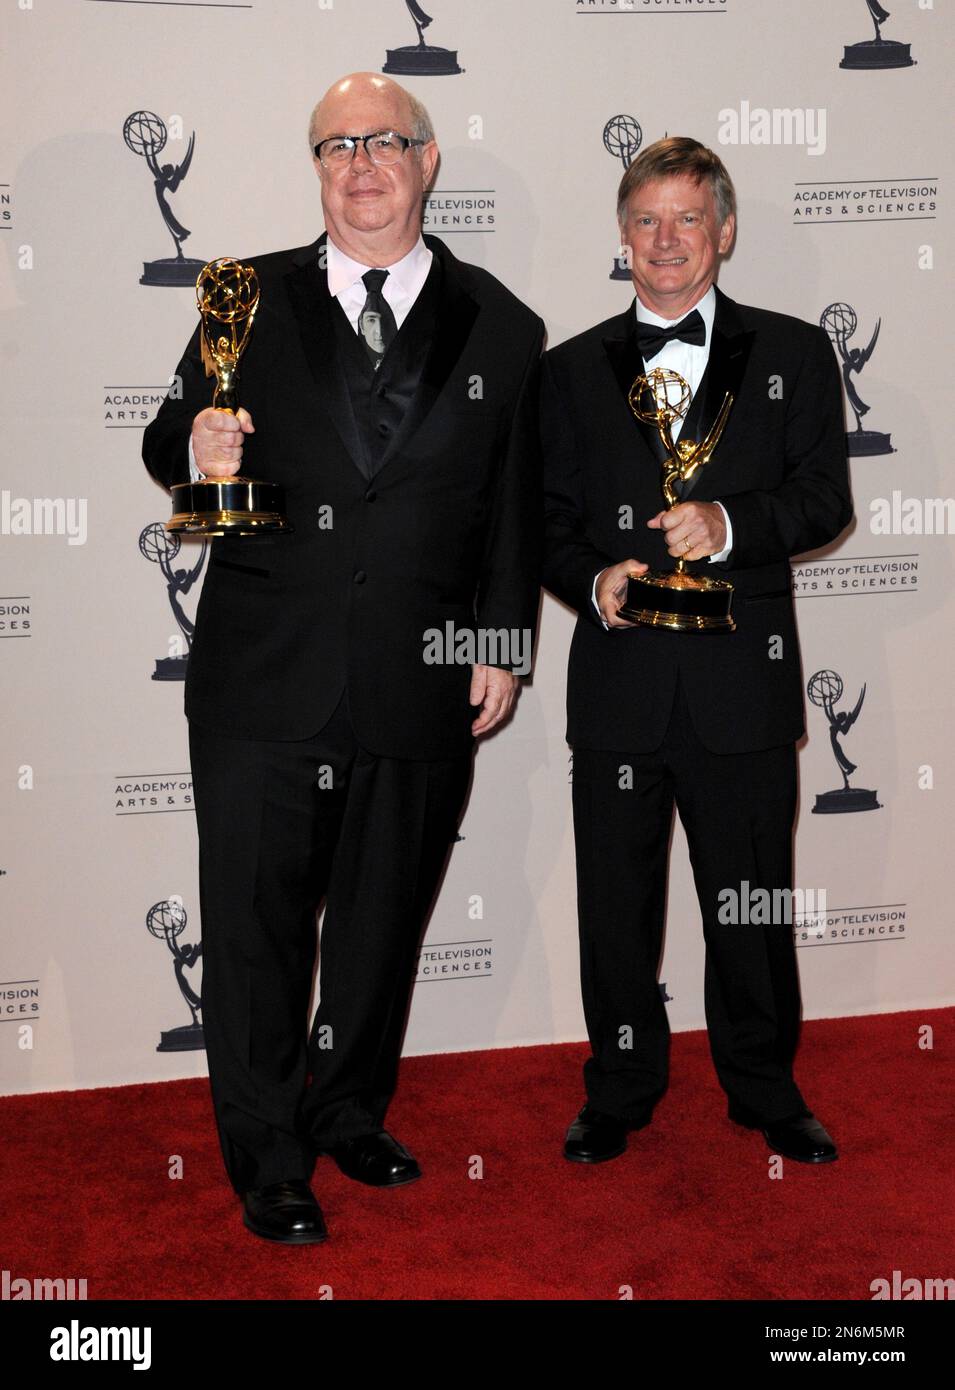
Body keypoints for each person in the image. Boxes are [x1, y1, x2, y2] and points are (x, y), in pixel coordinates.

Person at [143, 73, 543, 1243]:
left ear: (427, 160)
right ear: (316, 169)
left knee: (380, 920)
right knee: (259, 928)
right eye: (335, 147)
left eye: (383, 142)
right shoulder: (241, 298)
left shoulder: (504, 323)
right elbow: (172, 433)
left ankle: (349, 1110)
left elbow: (511, 506)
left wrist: (503, 638)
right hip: (265, 672)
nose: (359, 163)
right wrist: (195, 442)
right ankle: (267, 1154)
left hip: (422, 671)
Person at [540, 137, 852, 1168]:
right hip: (622, 683)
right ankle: (619, 1086)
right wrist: (594, 581)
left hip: (741, 689)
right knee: (615, 910)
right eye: (645, 220)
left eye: (686, 219)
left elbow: (823, 500)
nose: (665, 240)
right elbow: (545, 523)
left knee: (750, 901)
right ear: (621, 236)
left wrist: (726, 524)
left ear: (722, 231)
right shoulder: (568, 368)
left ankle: (764, 1086)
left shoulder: (795, 353)